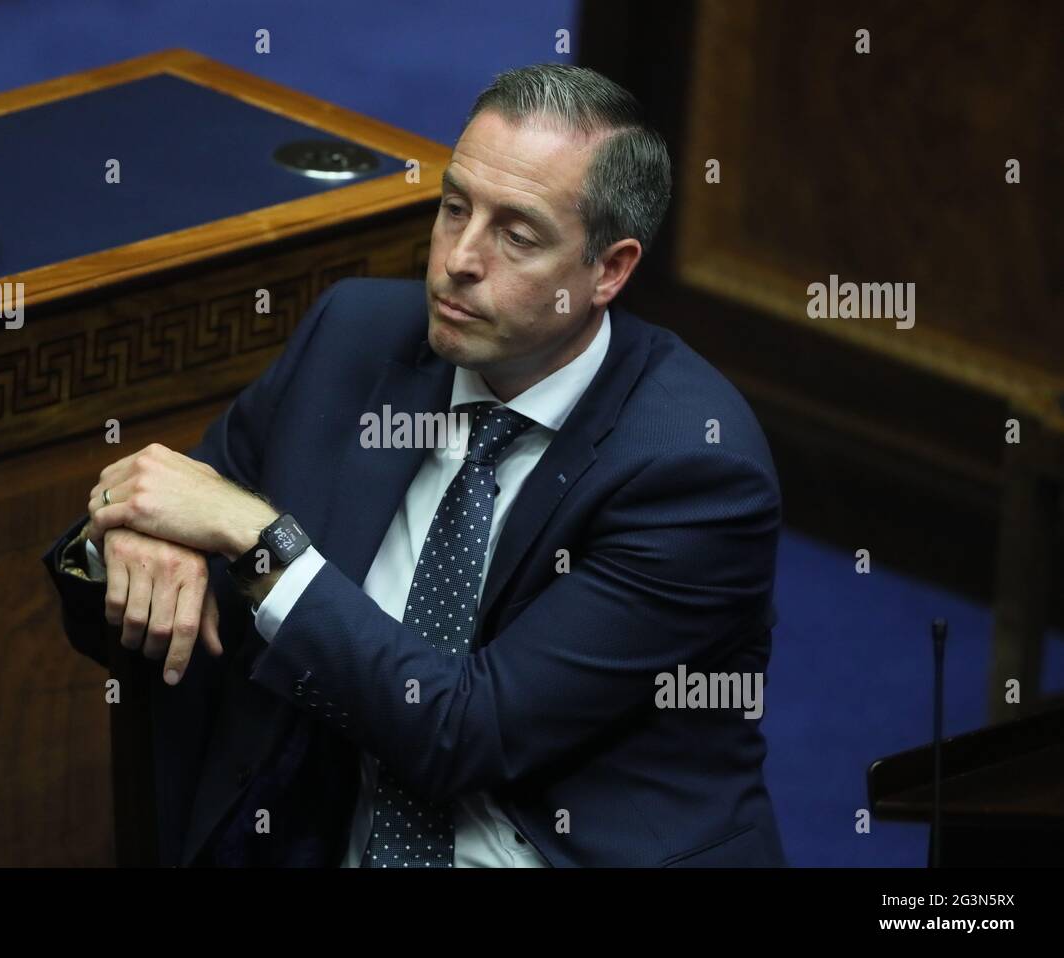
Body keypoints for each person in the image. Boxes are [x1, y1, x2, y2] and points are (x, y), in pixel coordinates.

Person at [42, 63, 786, 867]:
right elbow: (178, 539)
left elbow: (463, 733)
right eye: (455, 206)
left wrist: (257, 536)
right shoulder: (353, 341)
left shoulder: (691, 468)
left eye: (518, 235)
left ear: (608, 270)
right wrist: (135, 541)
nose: (459, 258)